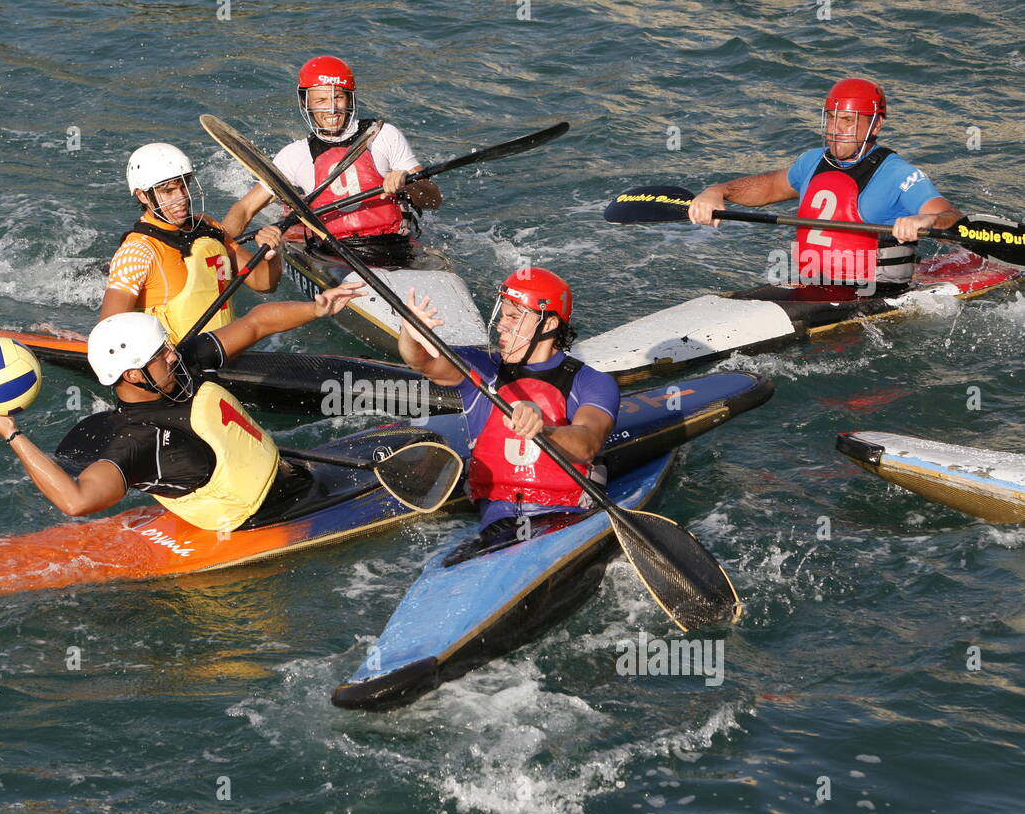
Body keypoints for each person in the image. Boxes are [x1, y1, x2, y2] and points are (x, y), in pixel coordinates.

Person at [0, 283, 364, 531]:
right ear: (133, 375)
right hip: (259, 519)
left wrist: (318, 308)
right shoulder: (138, 441)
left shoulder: (179, 368)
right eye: (161, 354)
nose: (173, 356)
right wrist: (11, 433)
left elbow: (257, 323)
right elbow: (76, 500)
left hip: (294, 479)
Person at [397, 267, 619, 539]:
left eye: (514, 316)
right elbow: (423, 362)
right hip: (499, 520)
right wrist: (410, 332)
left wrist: (543, 430)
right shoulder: (482, 368)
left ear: (548, 324)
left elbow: (588, 444)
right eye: (502, 315)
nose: (502, 325)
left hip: (569, 515)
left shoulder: (592, 382)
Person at [687, 77, 961, 288]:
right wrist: (718, 191)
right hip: (815, 286)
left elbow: (951, 218)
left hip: (880, 292)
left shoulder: (898, 174)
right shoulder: (812, 161)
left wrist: (925, 221)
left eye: (847, 121)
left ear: (875, 126)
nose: (835, 129)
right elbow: (769, 187)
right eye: (831, 118)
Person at [221, 55, 443, 268]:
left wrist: (409, 183)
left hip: (397, 245)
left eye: (338, 97)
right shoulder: (294, 155)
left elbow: (433, 200)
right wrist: (216, 251)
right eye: (321, 100)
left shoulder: (384, 135)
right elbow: (245, 209)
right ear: (305, 102)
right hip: (332, 255)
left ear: (350, 97)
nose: (332, 108)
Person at [99, 142, 285, 338]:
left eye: (183, 186)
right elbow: (109, 335)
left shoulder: (207, 226)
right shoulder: (136, 252)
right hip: (175, 364)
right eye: (168, 191)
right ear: (143, 196)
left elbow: (264, 284)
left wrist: (271, 255)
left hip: (221, 352)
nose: (181, 198)